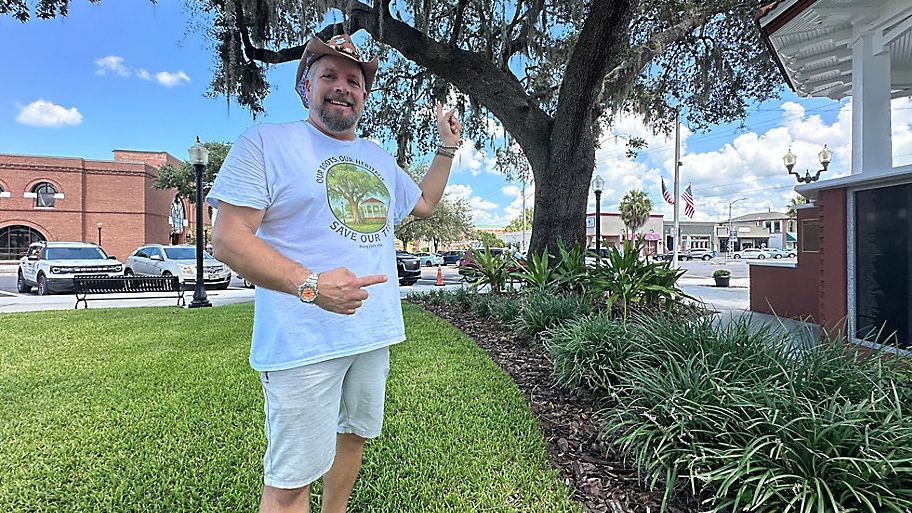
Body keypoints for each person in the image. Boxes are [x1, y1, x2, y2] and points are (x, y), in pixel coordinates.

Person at [207, 33, 461, 513]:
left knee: (352, 437)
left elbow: (424, 204)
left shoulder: (378, 157)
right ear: (306, 86)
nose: (342, 86)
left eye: (353, 80)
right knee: (290, 483)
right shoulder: (266, 142)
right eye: (329, 75)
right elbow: (229, 238)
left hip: (371, 332)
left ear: (364, 96)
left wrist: (446, 148)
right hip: (301, 342)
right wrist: (310, 285)